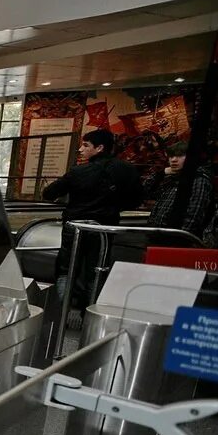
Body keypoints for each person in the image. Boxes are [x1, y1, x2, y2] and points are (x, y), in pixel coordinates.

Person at [41, 128, 142, 309]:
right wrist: (113, 207)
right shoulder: (127, 170)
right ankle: (88, 313)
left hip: (76, 226)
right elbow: (137, 199)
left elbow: (48, 193)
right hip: (104, 229)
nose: (81, 149)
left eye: (86, 145)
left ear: (100, 148)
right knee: (96, 271)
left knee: (66, 269)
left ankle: (61, 311)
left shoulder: (79, 171)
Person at [144, 140, 218, 245]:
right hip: (159, 237)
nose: (174, 160)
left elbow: (194, 215)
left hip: (178, 241)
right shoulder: (172, 178)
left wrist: (178, 240)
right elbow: (144, 190)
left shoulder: (199, 179)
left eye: (179, 156)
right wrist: (162, 172)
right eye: (171, 156)